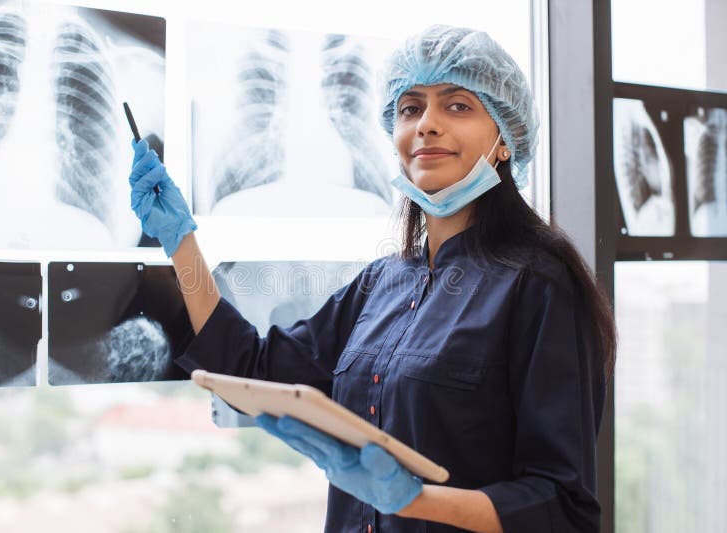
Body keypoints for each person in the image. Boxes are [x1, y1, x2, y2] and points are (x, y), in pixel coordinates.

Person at [127, 24, 616, 533]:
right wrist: (180, 241)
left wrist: (417, 501)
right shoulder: (383, 283)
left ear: (504, 140)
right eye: (410, 108)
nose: (426, 125)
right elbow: (252, 368)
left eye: (457, 106)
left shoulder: (539, 286)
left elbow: (563, 507)